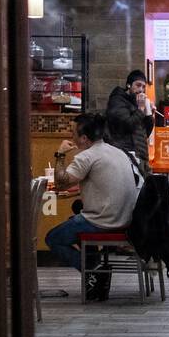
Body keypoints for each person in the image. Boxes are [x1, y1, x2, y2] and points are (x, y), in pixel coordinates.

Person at [46, 112, 140, 301]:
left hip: (104, 221)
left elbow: (61, 182)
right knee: (78, 215)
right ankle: (94, 269)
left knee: (53, 238)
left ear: (84, 138)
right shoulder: (116, 151)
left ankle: (93, 272)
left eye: (73, 132)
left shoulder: (87, 156)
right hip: (126, 219)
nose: (71, 136)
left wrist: (60, 154)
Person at [106, 70, 155, 173]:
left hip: (140, 156)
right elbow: (127, 125)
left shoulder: (136, 104)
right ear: (128, 85)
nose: (141, 90)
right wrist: (141, 109)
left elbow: (146, 132)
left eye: (143, 87)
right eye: (138, 85)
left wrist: (149, 113)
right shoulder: (117, 101)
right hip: (125, 155)